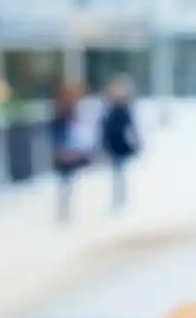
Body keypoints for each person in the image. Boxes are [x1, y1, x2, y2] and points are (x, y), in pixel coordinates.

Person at [50, 82, 91, 222]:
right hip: (63, 155)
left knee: (68, 183)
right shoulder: (60, 116)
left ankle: (66, 210)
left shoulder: (73, 114)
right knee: (64, 183)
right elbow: (57, 136)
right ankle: (64, 210)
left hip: (70, 154)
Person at [100, 76, 140, 211]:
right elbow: (106, 129)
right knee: (117, 171)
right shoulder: (110, 111)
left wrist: (135, 142)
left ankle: (121, 199)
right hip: (114, 145)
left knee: (120, 171)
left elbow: (131, 128)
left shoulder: (124, 111)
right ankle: (118, 199)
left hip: (121, 145)